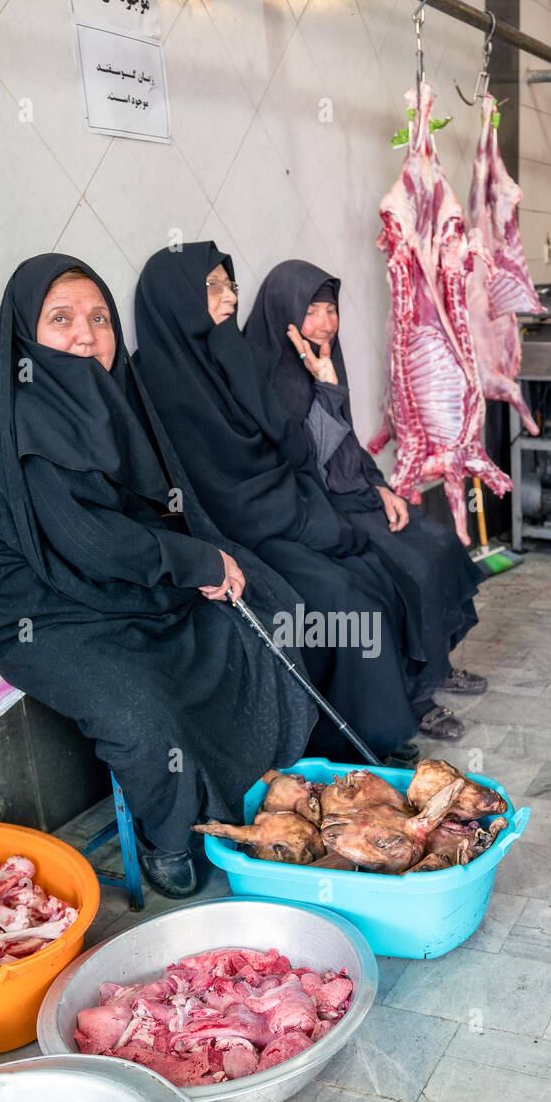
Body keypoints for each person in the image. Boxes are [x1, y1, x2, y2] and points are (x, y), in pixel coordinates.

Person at [0, 253, 316, 897]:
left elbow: (152, 509)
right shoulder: (24, 417)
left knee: (257, 614)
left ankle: (260, 793)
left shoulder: (113, 397)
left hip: (123, 586)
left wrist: (207, 561)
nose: (86, 335)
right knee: (140, 710)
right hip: (38, 609)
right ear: (23, 335)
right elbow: (88, 539)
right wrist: (196, 561)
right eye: (60, 319)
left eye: (99, 318)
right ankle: (167, 836)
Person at [132, 242, 423, 764]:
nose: (228, 297)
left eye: (230, 285)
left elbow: (288, 444)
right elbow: (209, 485)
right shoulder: (153, 379)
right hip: (233, 533)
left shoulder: (224, 357)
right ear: (178, 297)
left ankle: (379, 733)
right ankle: (355, 747)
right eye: (213, 287)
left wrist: (230, 352)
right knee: (345, 604)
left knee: (367, 578)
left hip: (281, 512)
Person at [243, 259, 488, 740]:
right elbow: (307, 454)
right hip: (319, 506)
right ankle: (418, 698)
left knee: (441, 544)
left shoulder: (320, 358)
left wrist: (381, 487)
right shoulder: (262, 377)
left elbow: (349, 441)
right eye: (310, 311)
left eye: (330, 310)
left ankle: (436, 665)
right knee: (409, 571)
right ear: (283, 313)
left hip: (356, 493)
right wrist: (326, 383)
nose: (324, 323)